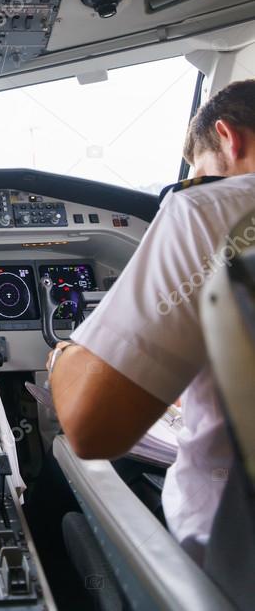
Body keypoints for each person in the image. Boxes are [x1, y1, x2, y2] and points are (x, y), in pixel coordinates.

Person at [47, 78, 255, 565]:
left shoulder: (210, 208)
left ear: (228, 137)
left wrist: (64, 356)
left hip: (226, 569)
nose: (202, 182)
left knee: (59, 460)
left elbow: (93, 429)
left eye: (201, 171)